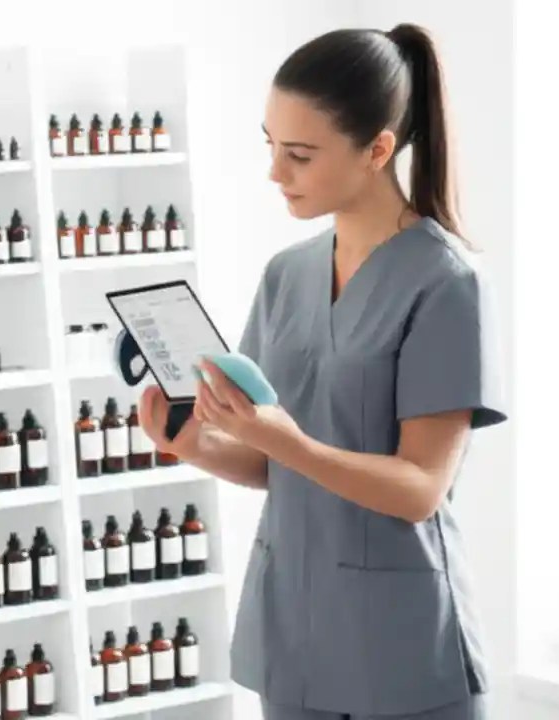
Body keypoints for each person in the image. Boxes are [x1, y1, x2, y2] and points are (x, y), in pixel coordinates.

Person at [138, 22, 508, 720]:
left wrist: (285, 442)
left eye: (300, 155)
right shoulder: (287, 275)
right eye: (271, 147)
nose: (276, 173)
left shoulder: (446, 282)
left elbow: (420, 489)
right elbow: (271, 460)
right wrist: (194, 442)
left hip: (400, 645)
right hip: (297, 631)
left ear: (377, 150)